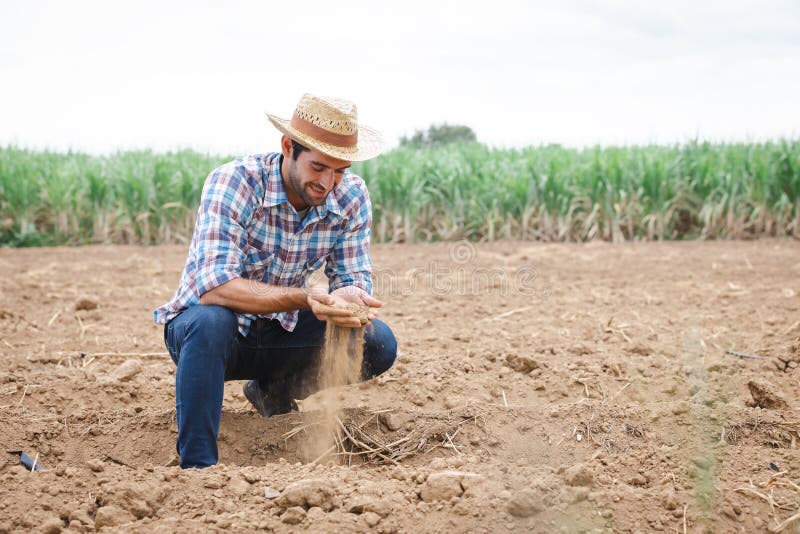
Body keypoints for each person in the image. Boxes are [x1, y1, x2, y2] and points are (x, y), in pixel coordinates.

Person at [153, 94, 397, 469]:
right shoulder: (236, 182)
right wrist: (304, 297)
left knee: (376, 342)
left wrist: (350, 298)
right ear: (288, 148)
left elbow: (352, 277)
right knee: (210, 320)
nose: (328, 182)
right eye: (318, 167)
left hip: (280, 335)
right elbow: (215, 287)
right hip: (210, 338)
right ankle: (198, 465)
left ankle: (273, 390)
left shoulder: (351, 197)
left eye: (340, 170)